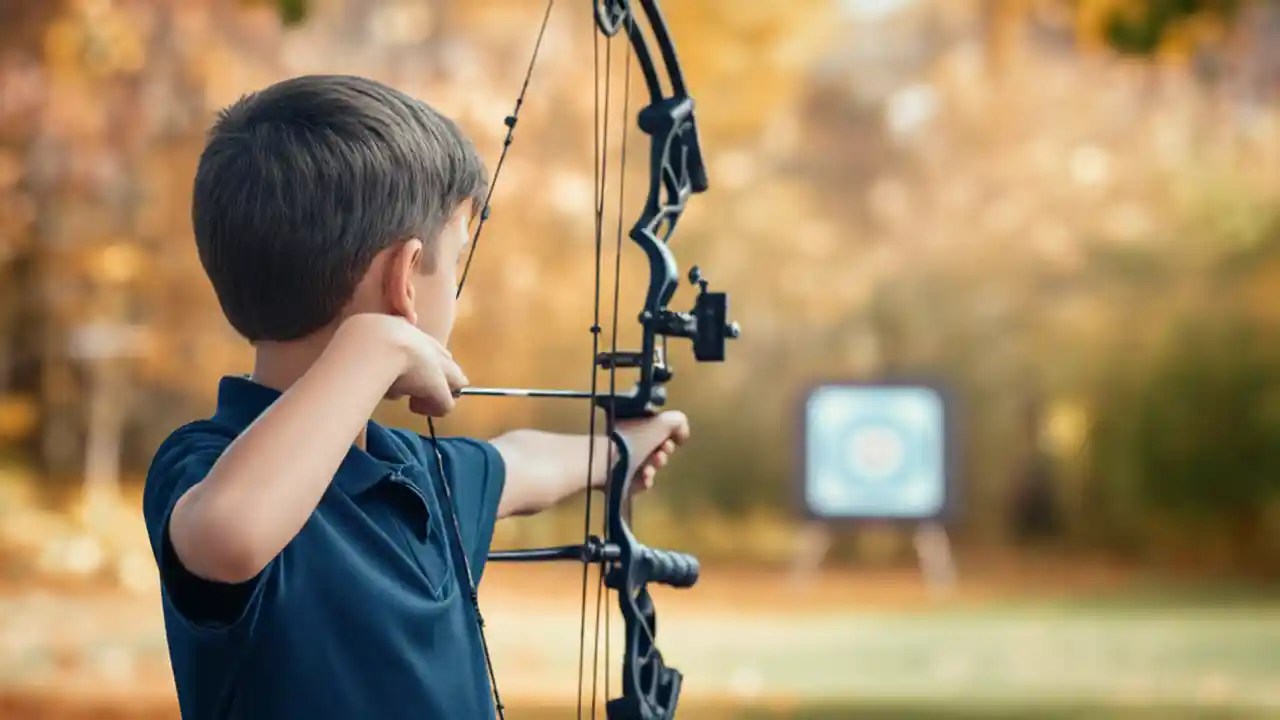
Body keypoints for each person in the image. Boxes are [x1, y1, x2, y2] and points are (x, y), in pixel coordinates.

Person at [142, 74, 689, 719]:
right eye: (456, 260)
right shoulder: (207, 465)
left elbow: (523, 463)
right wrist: (378, 346)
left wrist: (620, 449)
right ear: (405, 279)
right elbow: (230, 534)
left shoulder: (414, 475)